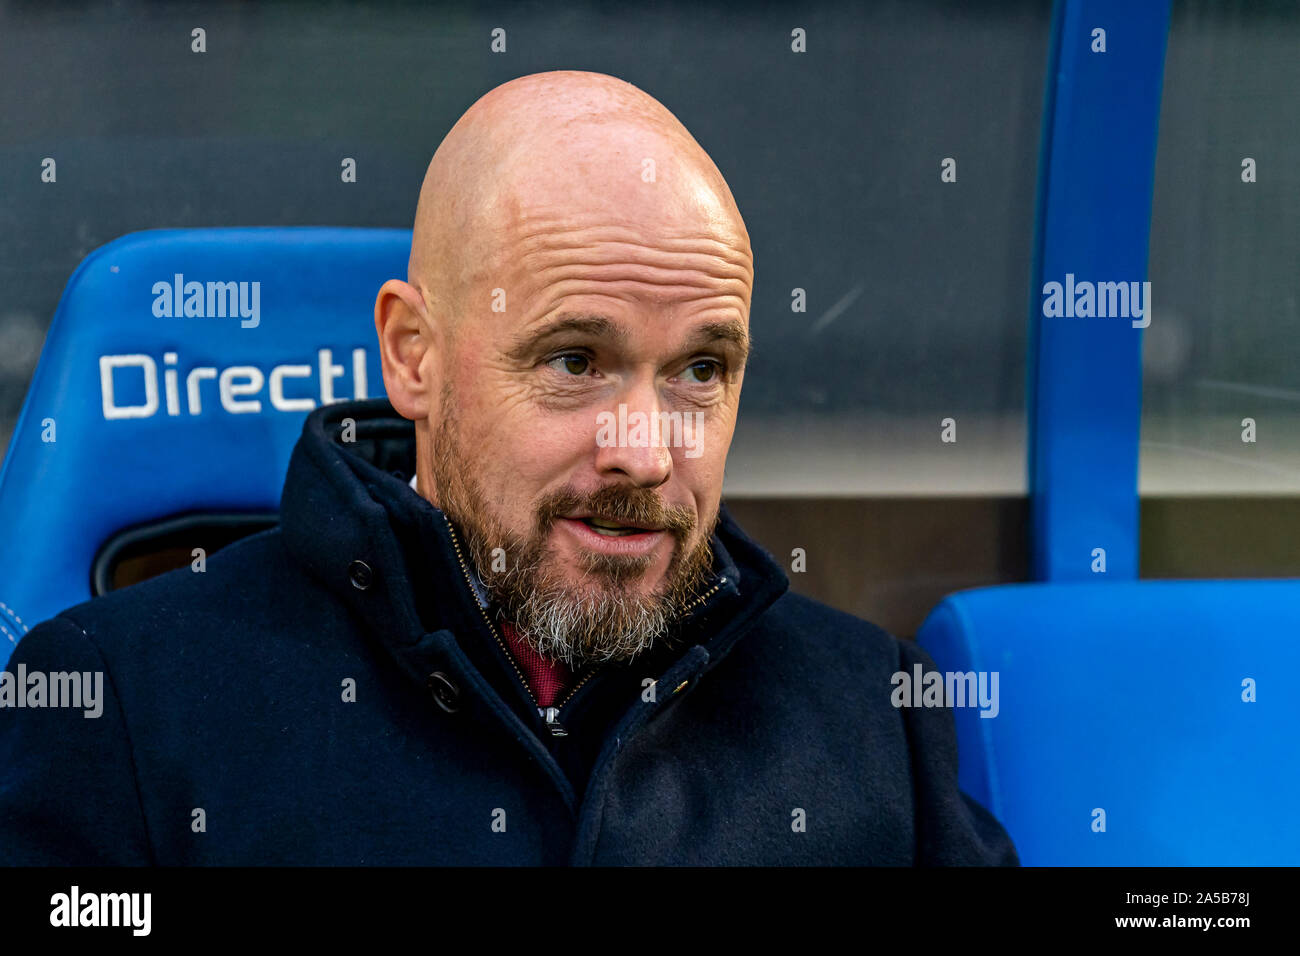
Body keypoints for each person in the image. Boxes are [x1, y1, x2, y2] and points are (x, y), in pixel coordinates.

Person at [0, 70, 1017, 865]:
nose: (645, 451)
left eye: (700, 369)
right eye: (574, 360)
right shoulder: (121, 705)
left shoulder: (868, 713)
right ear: (413, 355)